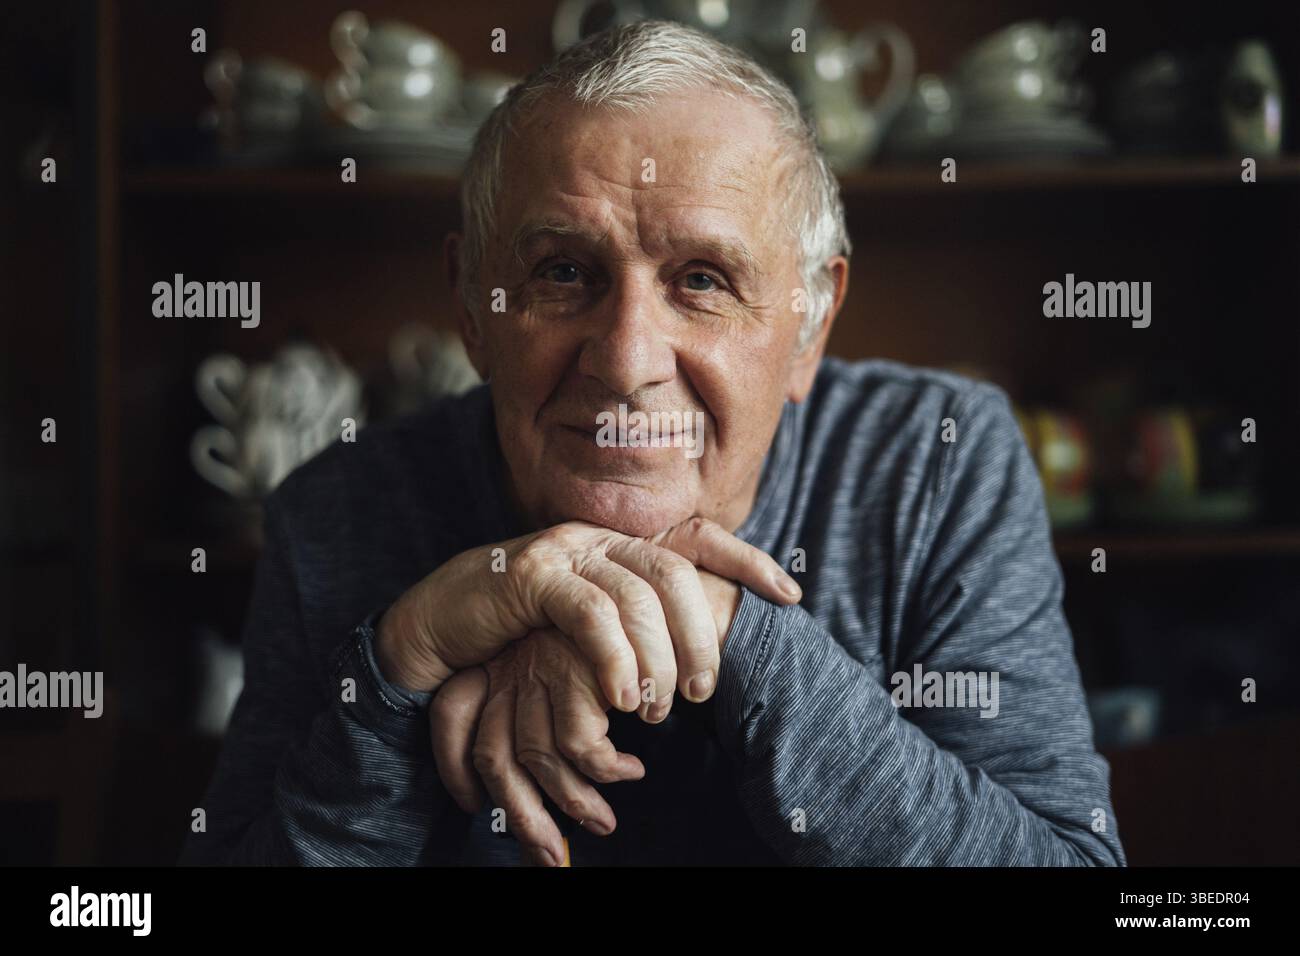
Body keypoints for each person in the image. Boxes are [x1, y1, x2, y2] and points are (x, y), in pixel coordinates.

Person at [182, 20, 1124, 867]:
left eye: (704, 279)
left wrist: (734, 633)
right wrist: (401, 661)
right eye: (562, 271)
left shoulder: (937, 460)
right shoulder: (334, 510)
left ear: (811, 320)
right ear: (473, 304)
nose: (627, 360)